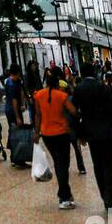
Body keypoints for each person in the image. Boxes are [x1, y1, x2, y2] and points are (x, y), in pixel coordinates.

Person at [72, 61, 112, 215]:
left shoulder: (78, 89)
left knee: (98, 167)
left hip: (91, 136)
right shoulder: (103, 88)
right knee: (110, 169)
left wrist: (80, 134)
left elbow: (74, 113)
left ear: (81, 73)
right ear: (94, 73)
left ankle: (105, 198)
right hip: (107, 134)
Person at [33, 65, 78, 210]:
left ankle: (65, 193)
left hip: (47, 134)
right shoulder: (62, 95)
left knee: (58, 163)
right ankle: (63, 197)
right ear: (57, 84)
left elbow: (38, 115)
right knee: (63, 164)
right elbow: (74, 112)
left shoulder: (38, 95)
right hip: (62, 133)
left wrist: (36, 133)